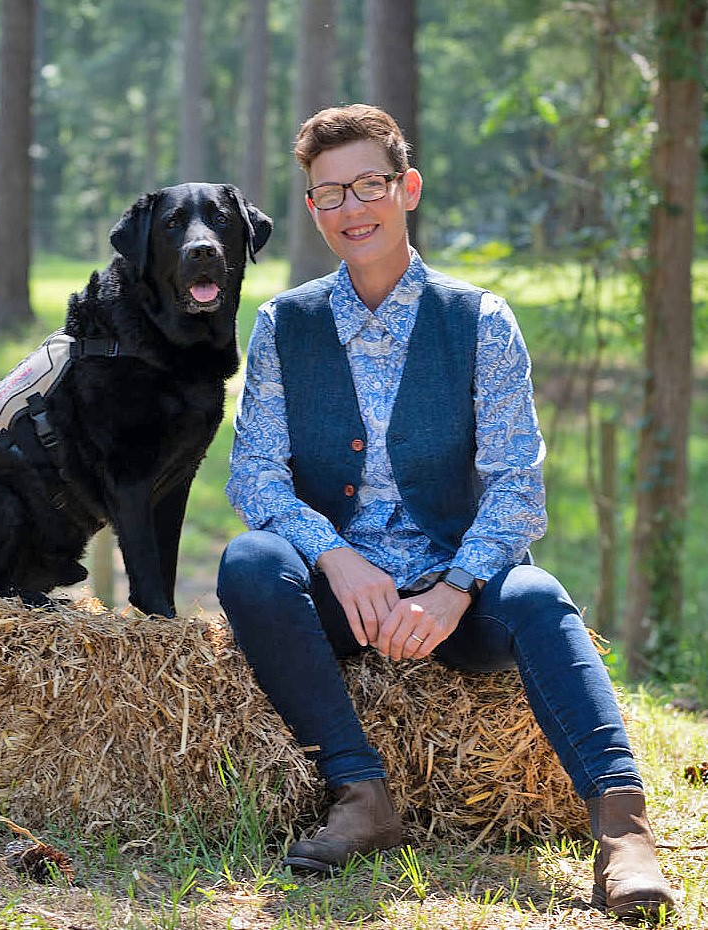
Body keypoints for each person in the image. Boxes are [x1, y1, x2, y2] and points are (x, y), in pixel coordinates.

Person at [216, 104, 676, 921]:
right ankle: (360, 795)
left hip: (451, 593)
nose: (353, 209)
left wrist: (456, 586)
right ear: (313, 209)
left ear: (408, 187)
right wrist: (333, 554)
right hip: (339, 598)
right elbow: (254, 474)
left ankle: (624, 832)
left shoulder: (479, 321)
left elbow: (515, 484)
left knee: (537, 598)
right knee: (249, 561)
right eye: (330, 195)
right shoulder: (285, 324)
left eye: (369, 185)